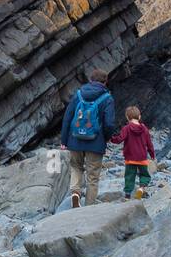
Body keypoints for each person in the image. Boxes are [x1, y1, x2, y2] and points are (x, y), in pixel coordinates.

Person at [59, 68, 115, 207]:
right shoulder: (107, 98)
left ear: (90, 80)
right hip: (95, 143)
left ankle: (76, 193)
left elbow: (67, 117)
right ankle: (89, 208)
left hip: (75, 140)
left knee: (76, 167)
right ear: (105, 81)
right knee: (92, 177)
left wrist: (64, 140)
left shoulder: (78, 94)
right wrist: (105, 139)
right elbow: (109, 124)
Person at [109, 105, 156, 199]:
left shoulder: (126, 128)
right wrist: (152, 154)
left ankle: (127, 195)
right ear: (139, 117)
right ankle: (141, 188)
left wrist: (111, 138)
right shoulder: (145, 129)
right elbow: (149, 143)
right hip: (142, 158)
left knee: (129, 177)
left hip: (130, 158)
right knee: (145, 175)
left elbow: (119, 139)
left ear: (127, 117)